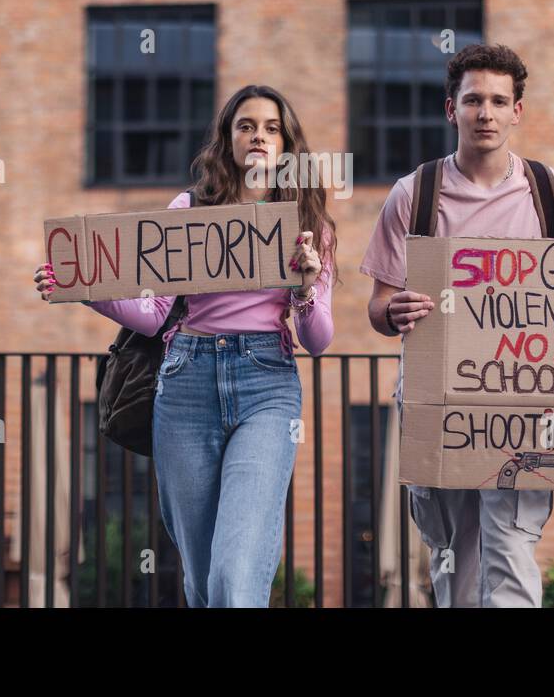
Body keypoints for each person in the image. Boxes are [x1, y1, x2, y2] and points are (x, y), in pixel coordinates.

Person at [34, 85, 338, 607]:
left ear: (287, 146)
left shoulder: (307, 226)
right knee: (200, 580)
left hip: (267, 385)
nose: (258, 137)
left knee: (234, 572)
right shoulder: (190, 209)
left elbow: (318, 340)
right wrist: (83, 288)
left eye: (271, 128)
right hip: (185, 385)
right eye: (246, 126)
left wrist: (305, 287)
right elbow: (152, 315)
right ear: (228, 140)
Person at [361, 43, 554, 607]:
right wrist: (395, 311)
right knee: (454, 557)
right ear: (451, 109)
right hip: (440, 403)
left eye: (498, 101)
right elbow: (378, 304)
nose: (485, 112)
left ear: (518, 112)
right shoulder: (415, 194)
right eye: (473, 100)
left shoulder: (552, 195)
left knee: (510, 550)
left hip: (523, 407)